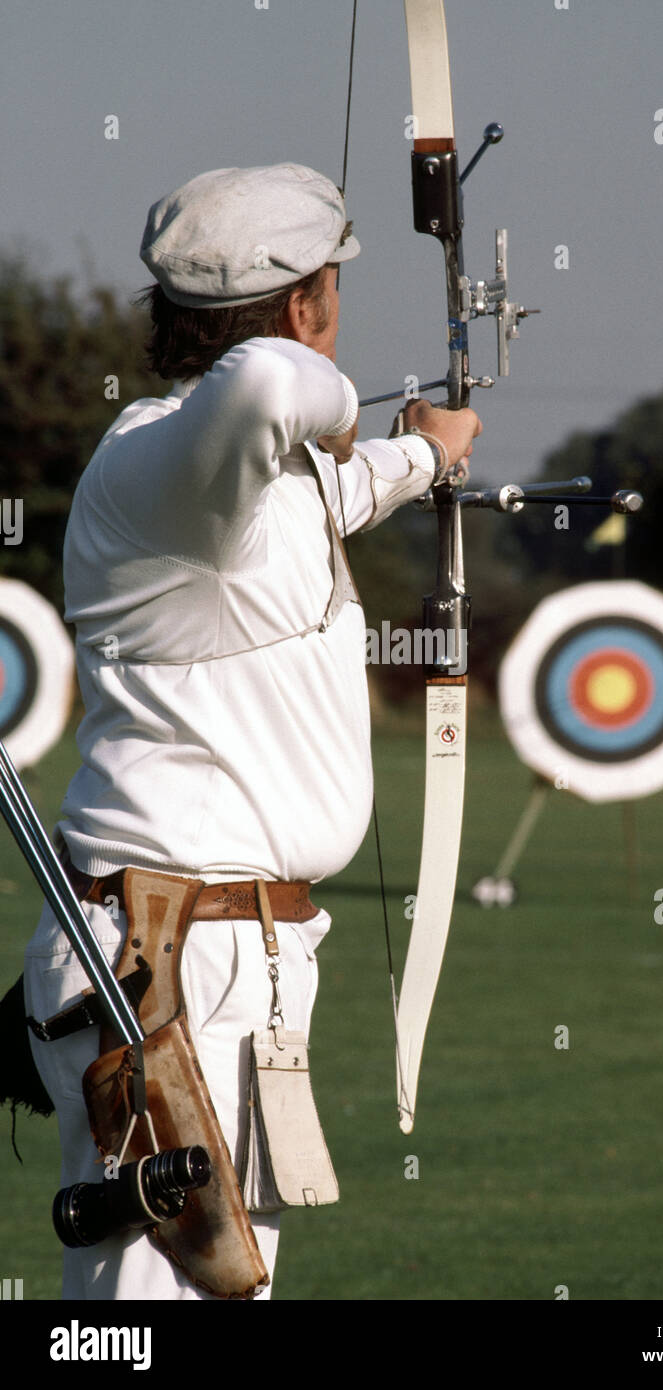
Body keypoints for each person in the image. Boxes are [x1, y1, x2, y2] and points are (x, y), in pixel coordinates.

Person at [23, 162, 481, 1301]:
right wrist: (342, 395)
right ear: (302, 303)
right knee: (140, 1312)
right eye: (331, 294)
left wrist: (424, 454)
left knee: (226, 1290)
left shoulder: (231, 488)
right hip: (163, 953)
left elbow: (330, 489)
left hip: (223, 950)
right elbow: (275, 387)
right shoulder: (167, 460)